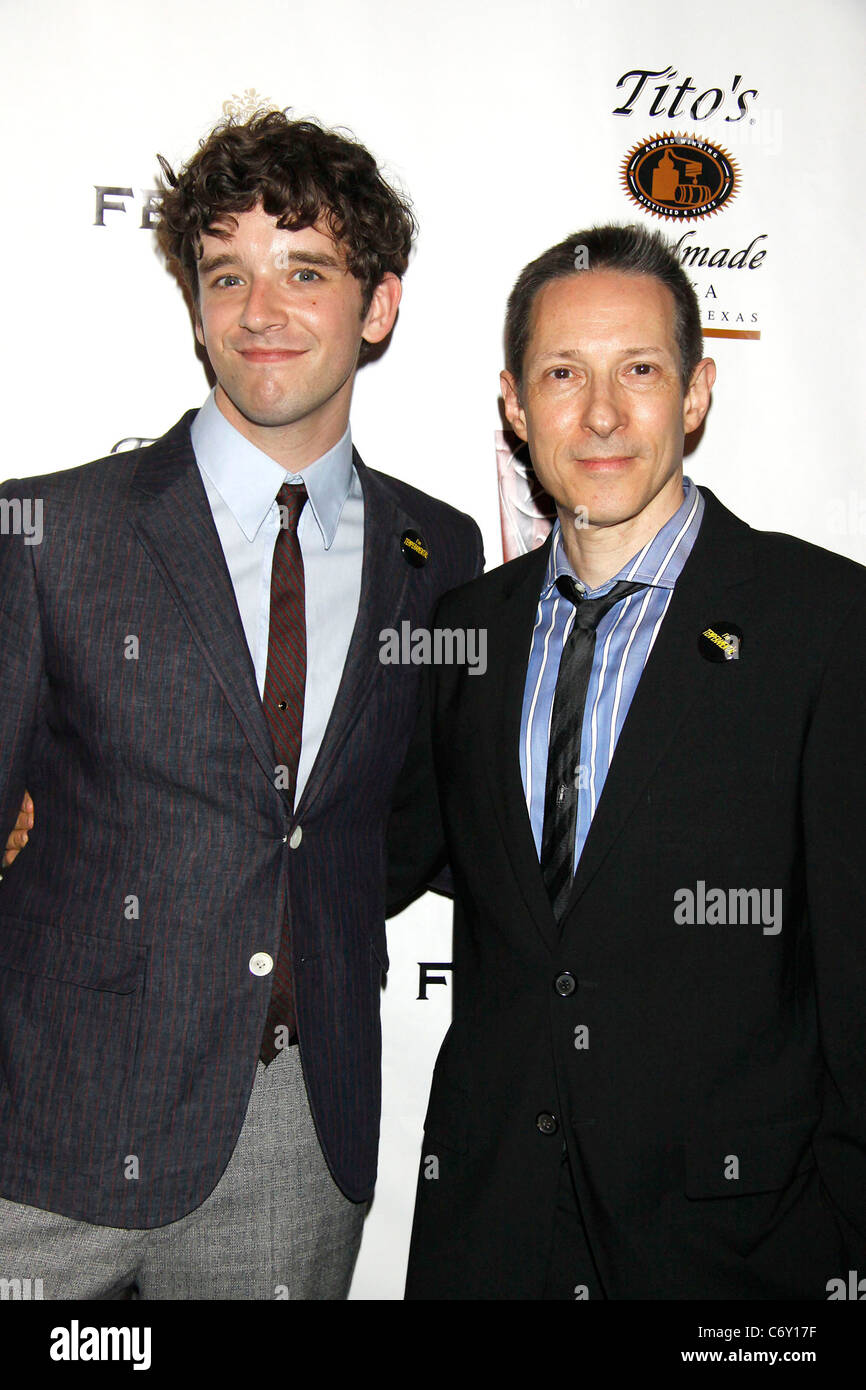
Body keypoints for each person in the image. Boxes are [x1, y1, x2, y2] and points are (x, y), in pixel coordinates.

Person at [0, 109, 481, 1299]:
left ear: (378, 307)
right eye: (228, 276)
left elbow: (417, 816)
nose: (260, 312)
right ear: (198, 305)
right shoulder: (49, 532)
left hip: (291, 1133)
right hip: (41, 1129)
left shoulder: (439, 552)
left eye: (303, 271)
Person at [387, 223, 866, 1299]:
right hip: (489, 1234)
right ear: (514, 404)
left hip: (733, 1256)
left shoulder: (824, 624)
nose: (599, 414)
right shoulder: (462, 635)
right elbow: (362, 849)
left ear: (694, 393)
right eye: (563, 373)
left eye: (637, 371)